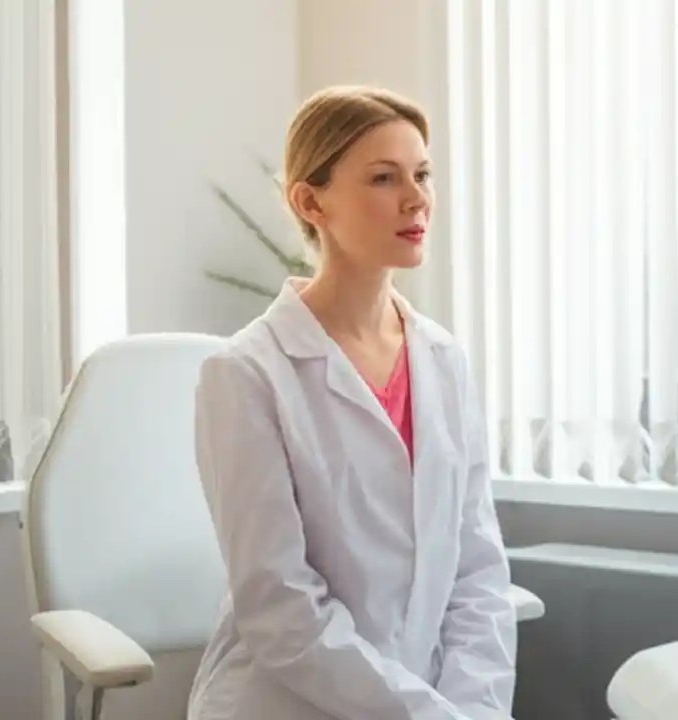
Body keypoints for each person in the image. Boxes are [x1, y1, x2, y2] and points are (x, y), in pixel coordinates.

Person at [187, 86, 516, 720]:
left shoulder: (444, 362)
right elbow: (282, 612)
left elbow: (477, 573)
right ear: (311, 201)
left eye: (422, 174)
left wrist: (473, 710)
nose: (417, 198)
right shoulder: (246, 374)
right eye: (384, 177)